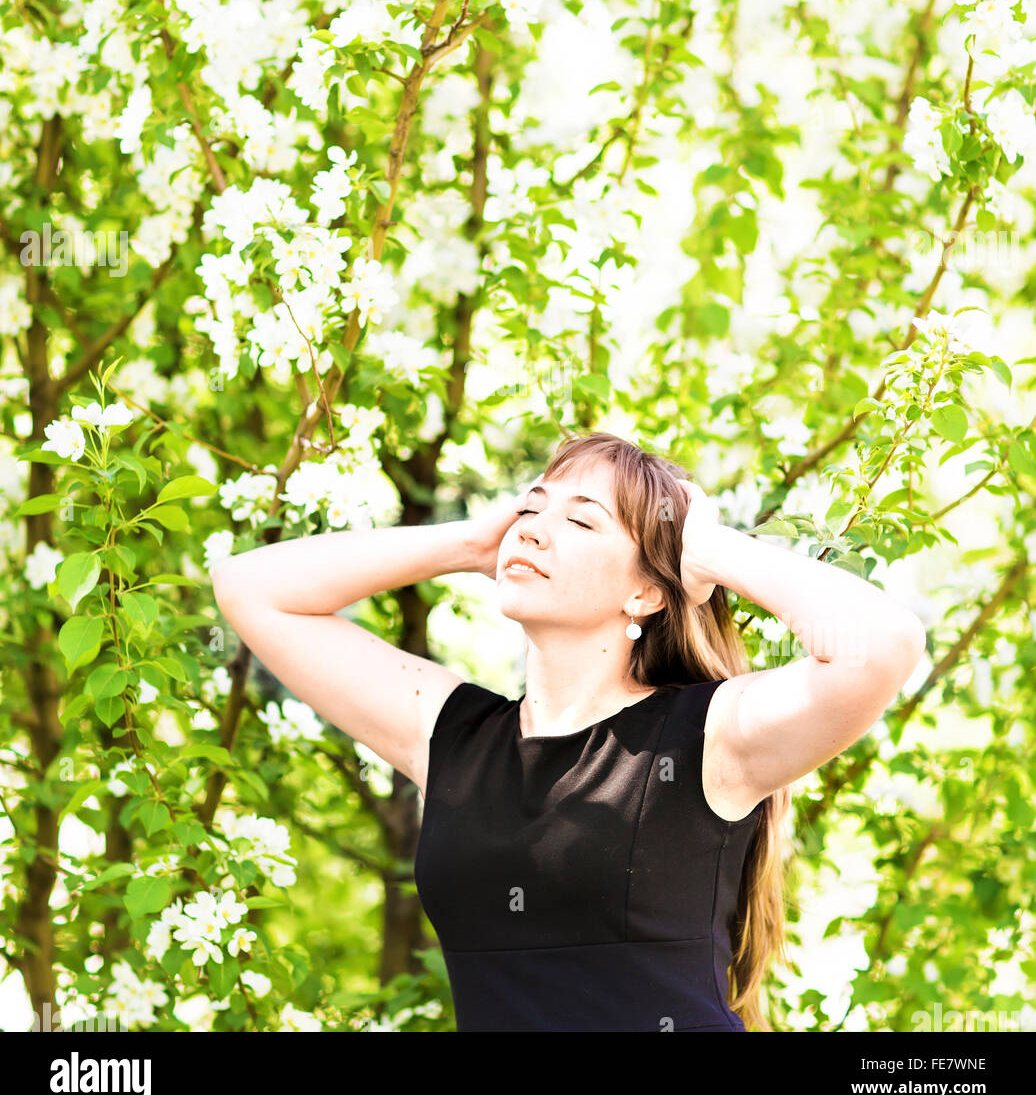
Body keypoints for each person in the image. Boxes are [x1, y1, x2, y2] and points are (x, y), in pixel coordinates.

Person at [211, 430, 927, 1032]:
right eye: (530, 508)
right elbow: (250, 590)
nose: (535, 528)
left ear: (646, 591)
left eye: (581, 520)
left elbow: (883, 647)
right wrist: (468, 543)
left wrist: (712, 552)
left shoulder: (702, 738)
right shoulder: (453, 734)